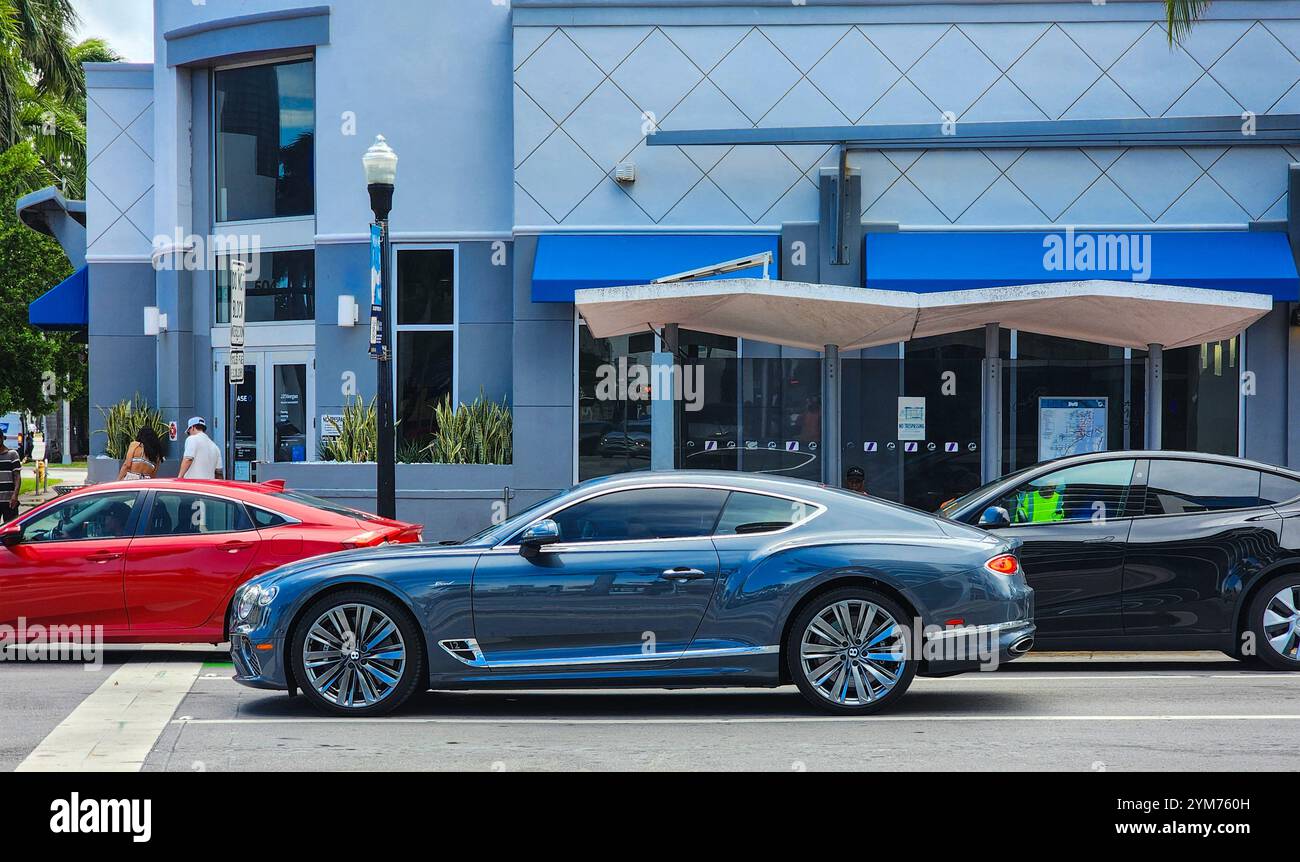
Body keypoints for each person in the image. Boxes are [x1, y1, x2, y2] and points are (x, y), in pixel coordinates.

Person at [0, 432, 20, 523]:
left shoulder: (12, 454)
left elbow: (17, 476)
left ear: (3, 438)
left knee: (11, 529)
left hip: (9, 500)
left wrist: (15, 495)